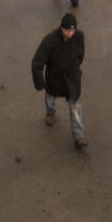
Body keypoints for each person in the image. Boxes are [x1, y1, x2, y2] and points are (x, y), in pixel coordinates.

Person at [31, 12, 86, 148]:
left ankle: (78, 136)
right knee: (50, 98)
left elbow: (81, 55)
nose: (70, 34)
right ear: (61, 28)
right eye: (67, 30)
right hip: (55, 79)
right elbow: (37, 62)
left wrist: (74, 69)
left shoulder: (79, 36)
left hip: (72, 80)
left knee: (75, 107)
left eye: (72, 30)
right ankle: (50, 112)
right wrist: (40, 83)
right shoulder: (49, 41)